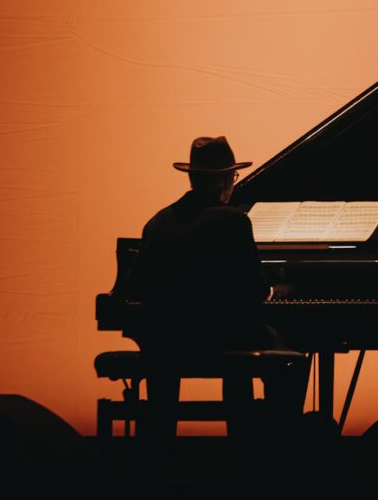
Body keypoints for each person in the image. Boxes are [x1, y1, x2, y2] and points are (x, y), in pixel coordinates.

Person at [124, 136, 304, 438]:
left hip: (166, 340)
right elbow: (253, 291)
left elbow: (137, 287)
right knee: (292, 355)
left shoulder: (157, 222)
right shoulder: (232, 221)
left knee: (236, 331)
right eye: (232, 176)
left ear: (193, 178)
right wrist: (276, 291)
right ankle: (276, 451)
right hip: (222, 339)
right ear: (224, 180)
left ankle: (159, 451)